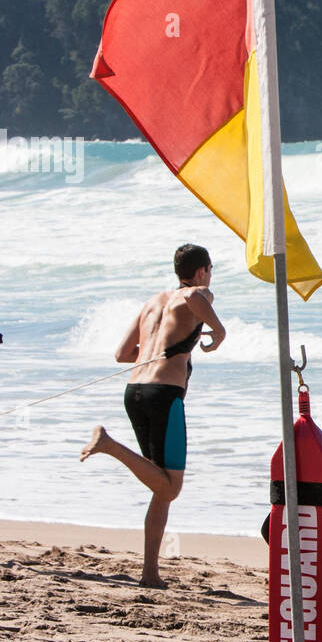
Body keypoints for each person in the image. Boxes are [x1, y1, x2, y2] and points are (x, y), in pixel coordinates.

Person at [79, 244, 225, 588]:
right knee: (171, 488)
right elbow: (195, 299)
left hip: (135, 394)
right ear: (202, 270)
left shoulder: (151, 303)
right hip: (164, 397)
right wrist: (219, 332)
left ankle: (149, 573)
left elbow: (122, 354)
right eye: (210, 271)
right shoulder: (194, 292)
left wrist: (161, 353)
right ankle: (110, 445)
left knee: (160, 485)